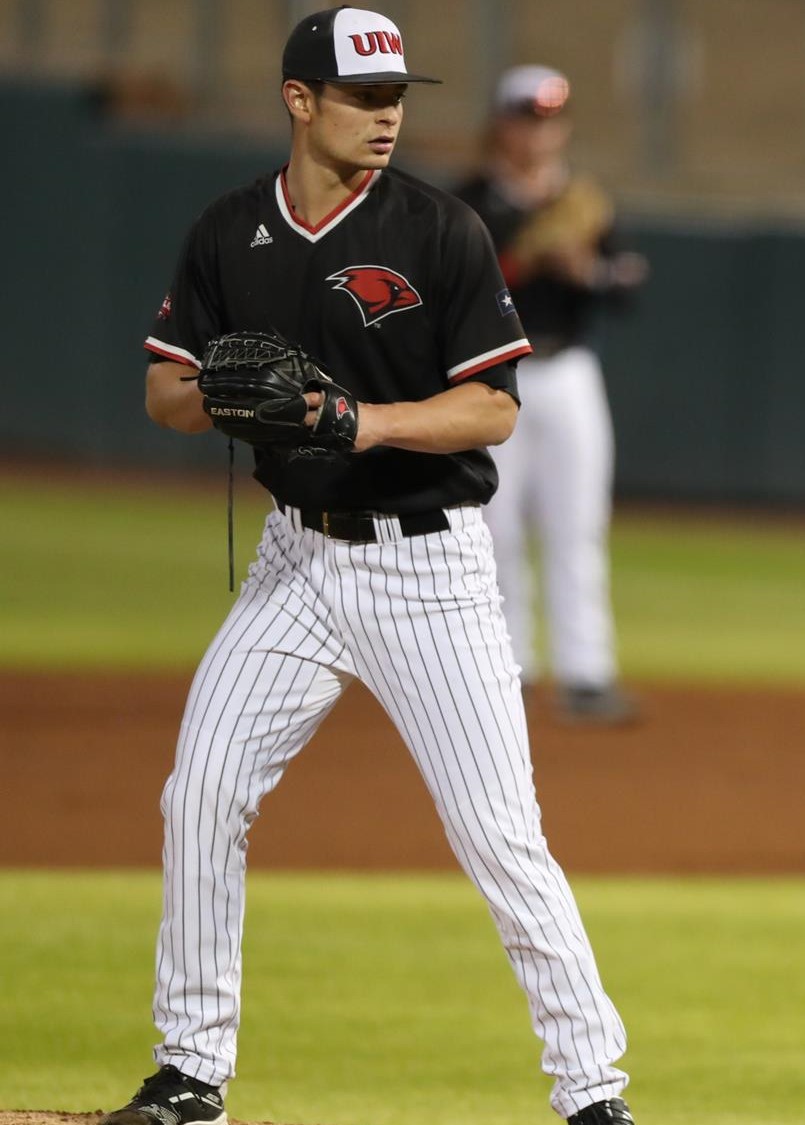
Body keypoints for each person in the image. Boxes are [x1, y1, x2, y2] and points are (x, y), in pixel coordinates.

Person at [111, 9, 636, 1124]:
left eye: (395, 96)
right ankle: (190, 1070)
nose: (386, 115)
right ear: (300, 100)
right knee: (200, 795)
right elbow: (164, 390)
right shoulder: (229, 230)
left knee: (500, 838)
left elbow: (493, 407)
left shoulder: (440, 229)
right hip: (294, 562)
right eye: (362, 96)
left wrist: (363, 421)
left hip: (429, 571)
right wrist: (224, 400)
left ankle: (594, 1094)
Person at [455, 65, 648, 725]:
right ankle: (504, 671)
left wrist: (588, 270)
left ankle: (585, 673)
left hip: (569, 372)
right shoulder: (471, 202)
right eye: (527, 118)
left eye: (550, 120)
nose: (540, 133)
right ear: (500, 125)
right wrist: (528, 257)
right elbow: (455, 288)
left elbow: (628, 284)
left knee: (578, 525)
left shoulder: (581, 198)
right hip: (494, 376)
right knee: (494, 529)